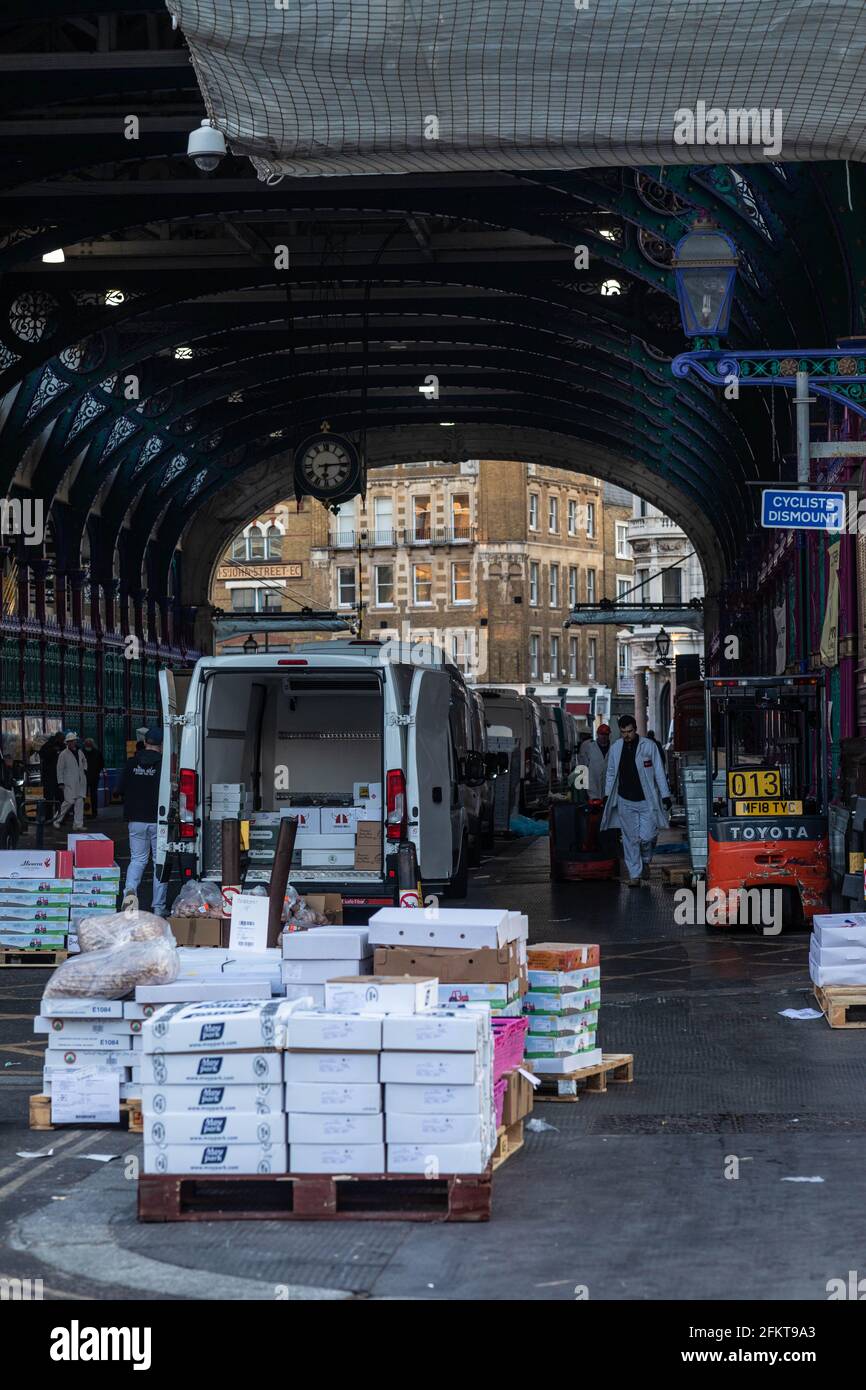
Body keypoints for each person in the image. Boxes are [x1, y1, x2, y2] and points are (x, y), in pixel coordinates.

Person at [600, 714, 672, 887]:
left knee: (647, 836)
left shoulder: (649, 747)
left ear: (636, 729)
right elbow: (611, 772)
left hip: (647, 801)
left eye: (630, 731)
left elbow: (659, 772)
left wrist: (665, 795)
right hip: (625, 800)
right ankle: (635, 875)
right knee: (630, 839)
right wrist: (607, 794)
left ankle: (645, 861)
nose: (627, 735)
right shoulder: (616, 748)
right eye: (623, 732)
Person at [118, 726, 166, 916]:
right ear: (161, 745)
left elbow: (119, 789)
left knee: (137, 860)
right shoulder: (163, 764)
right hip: (159, 820)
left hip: (135, 819)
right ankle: (159, 907)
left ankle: (130, 898)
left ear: (145, 742)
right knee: (159, 863)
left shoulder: (132, 763)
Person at [53, 731, 88, 831]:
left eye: (73, 741)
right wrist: (61, 782)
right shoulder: (63, 754)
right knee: (68, 802)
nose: (71, 743)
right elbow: (59, 769)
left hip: (80, 781)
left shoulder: (80, 752)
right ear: (67, 743)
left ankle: (78, 824)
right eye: (70, 741)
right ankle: (56, 820)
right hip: (69, 782)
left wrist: (84, 769)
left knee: (79, 802)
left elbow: (84, 761)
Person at [574, 723, 611, 800]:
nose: (604, 736)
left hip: (608, 787)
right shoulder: (589, 747)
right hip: (592, 785)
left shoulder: (613, 748)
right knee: (594, 807)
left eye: (606, 734)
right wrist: (580, 784)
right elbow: (582, 765)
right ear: (597, 734)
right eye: (602, 734)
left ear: (609, 735)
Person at [39, 731, 63, 818]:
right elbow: (43, 755)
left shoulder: (60, 746)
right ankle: (53, 817)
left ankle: (56, 817)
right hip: (50, 776)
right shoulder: (49, 746)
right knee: (53, 798)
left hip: (54, 776)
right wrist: (53, 750)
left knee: (56, 797)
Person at [82, 737, 105, 818]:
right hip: (94, 776)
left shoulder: (81, 752)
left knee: (83, 795)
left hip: (84, 777)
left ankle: (84, 811)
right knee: (93, 794)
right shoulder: (97, 752)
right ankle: (94, 811)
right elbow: (102, 764)